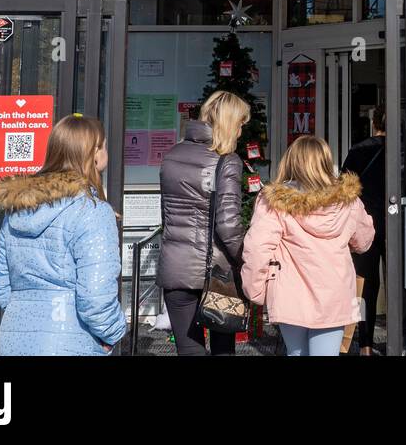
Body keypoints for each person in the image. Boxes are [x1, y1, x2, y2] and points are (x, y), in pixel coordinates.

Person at [0, 114, 125, 356]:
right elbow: (96, 297)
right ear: (94, 153)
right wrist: (115, 332)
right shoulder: (91, 211)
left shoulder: (18, 209)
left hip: (14, 338)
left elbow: (1, 285)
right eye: (104, 145)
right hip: (72, 338)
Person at [242, 135, 375, 356]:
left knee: (295, 353)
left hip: (289, 293)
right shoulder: (349, 201)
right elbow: (364, 242)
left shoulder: (273, 201)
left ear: (292, 161)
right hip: (334, 292)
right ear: (325, 162)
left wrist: (255, 291)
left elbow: (256, 248)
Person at [159, 90, 248, 356]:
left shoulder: (172, 154)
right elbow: (228, 224)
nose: (242, 131)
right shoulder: (227, 161)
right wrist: (246, 258)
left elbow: (166, 215)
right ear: (230, 123)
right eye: (241, 124)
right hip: (216, 273)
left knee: (188, 350)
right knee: (223, 350)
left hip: (175, 268)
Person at [341, 106, 387, 354]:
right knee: (402, 282)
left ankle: (365, 344)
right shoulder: (404, 151)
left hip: (364, 225)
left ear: (374, 123)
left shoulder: (358, 151)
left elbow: (344, 189)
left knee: (364, 285)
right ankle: (402, 337)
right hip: (397, 223)